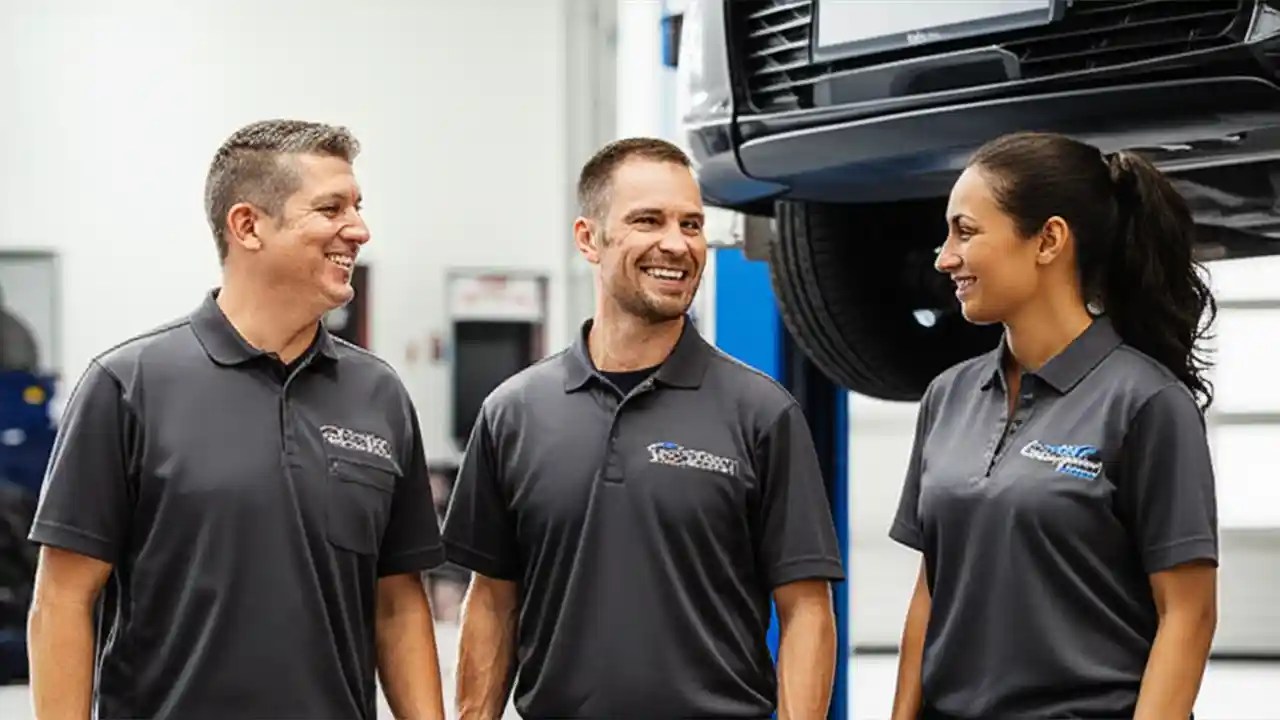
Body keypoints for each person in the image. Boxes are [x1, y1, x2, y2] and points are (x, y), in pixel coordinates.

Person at [26, 119, 447, 720]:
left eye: (357, 206)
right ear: (248, 225)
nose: (358, 230)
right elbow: (63, 600)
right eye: (330, 209)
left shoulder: (379, 394)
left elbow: (398, 604)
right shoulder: (128, 385)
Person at [442, 137, 846, 719]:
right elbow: (492, 599)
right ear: (589, 239)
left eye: (692, 223)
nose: (677, 245)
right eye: (648, 220)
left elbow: (807, 606)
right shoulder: (513, 412)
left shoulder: (762, 413)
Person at [889, 131, 1219, 720]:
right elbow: (930, 593)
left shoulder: (1147, 402)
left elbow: (1188, 616)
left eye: (965, 231)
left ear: (1048, 240)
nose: (943, 257)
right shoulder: (948, 396)